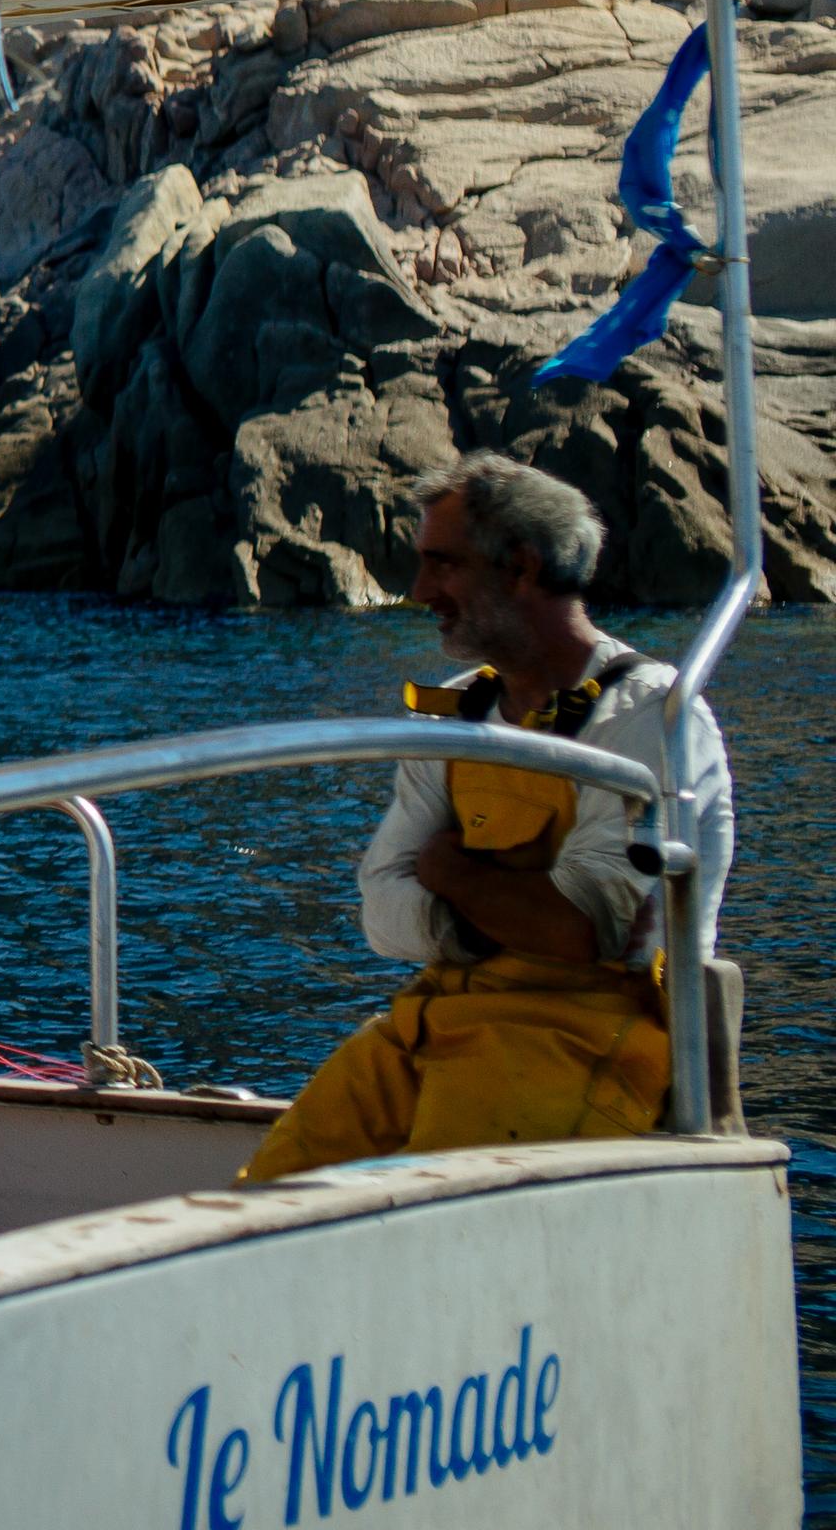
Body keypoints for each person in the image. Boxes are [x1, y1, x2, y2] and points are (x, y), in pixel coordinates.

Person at [242, 454, 735, 1182]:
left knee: (440, 1216)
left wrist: (447, 870)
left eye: (443, 566)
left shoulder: (649, 718)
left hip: (584, 1039)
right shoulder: (454, 707)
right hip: (433, 1019)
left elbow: (579, 930)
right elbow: (381, 907)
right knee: (265, 1200)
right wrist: (489, 902)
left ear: (523, 568)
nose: (420, 592)